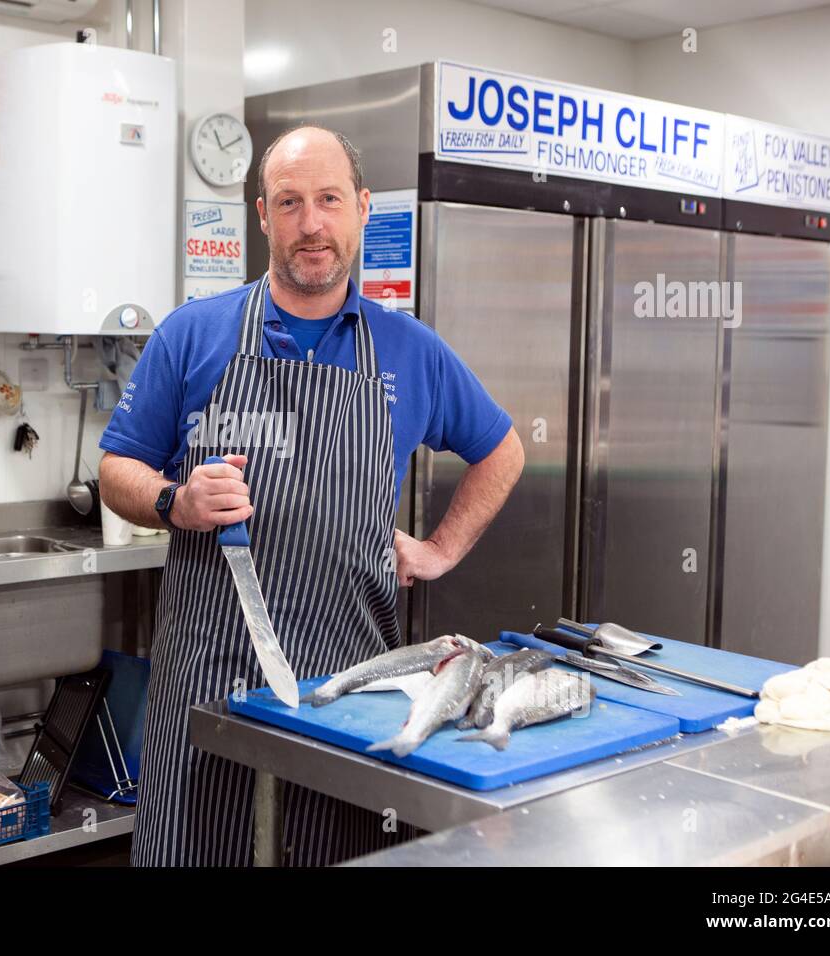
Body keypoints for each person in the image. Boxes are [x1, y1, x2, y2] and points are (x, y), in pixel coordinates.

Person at [98, 125, 525, 866]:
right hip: (209, 686)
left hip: (352, 687)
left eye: (329, 200)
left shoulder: (409, 350)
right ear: (263, 217)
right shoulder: (191, 335)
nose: (311, 224)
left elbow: (502, 450)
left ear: (362, 209)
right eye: (289, 203)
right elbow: (116, 469)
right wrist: (175, 502)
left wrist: (439, 549)